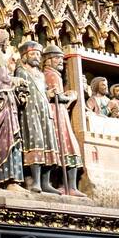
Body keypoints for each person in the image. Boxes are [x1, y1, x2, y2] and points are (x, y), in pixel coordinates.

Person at [15, 40, 59, 194]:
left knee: (48, 141)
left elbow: (43, 91)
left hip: (44, 110)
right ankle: (35, 181)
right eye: (32, 54)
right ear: (25, 56)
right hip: (30, 110)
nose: (36, 57)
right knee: (36, 140)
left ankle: (46, 182)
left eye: (38, 55)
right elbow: (19, 89)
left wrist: (50, 94)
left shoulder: (40, 74)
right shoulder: (21, 72)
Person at [0, 29, 26, 190]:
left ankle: (11, 180)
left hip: (5, 102)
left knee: (10, 139)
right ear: (1, 41)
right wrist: (17, 80)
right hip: (1, 104)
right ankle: (8, 179)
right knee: (8, 140)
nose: (8, 44)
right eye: (8, 41)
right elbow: (1, 80)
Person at [43, 44, 84, 196]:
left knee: (68, 146)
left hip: (60, 113)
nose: (60, 61)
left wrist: (65, 96)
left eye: (61, 59)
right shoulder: (49, 74)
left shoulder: (54, 74)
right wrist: (69, 97)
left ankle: (69, 186)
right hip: (55, 114)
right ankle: (67, 186)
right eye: (57, 58)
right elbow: (53, 96)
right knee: (65, 145)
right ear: (47, 60)